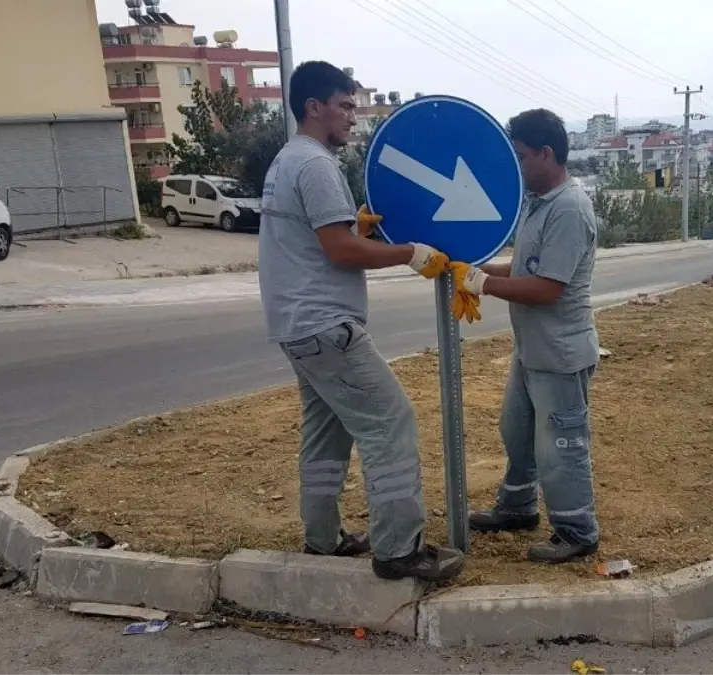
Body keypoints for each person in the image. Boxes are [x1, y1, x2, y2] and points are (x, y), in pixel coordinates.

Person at [257, 60, 464, 582]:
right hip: (327, 326)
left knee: (326, 434)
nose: (353, 116)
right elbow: (338, 250)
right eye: (345, 106)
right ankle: (398, 550)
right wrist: (407, 252)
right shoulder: (316, 165)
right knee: (390, 422)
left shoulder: (288, 160)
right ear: (314, 107)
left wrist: (359, 230)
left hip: (296, 325)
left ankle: (322, 539)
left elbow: (325, 240)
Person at [449, 108, 601, 563]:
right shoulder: (538, 203)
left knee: (560, 448)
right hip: (532, 351)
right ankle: (517, 507)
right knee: (516, 432)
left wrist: (481, 284)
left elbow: (546, 288)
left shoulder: (570, 209)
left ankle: (577, 531)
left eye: (521, 157)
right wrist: (472, 270)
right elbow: (522, 269)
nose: (517, 167)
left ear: (547, 154)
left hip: (560, 354)